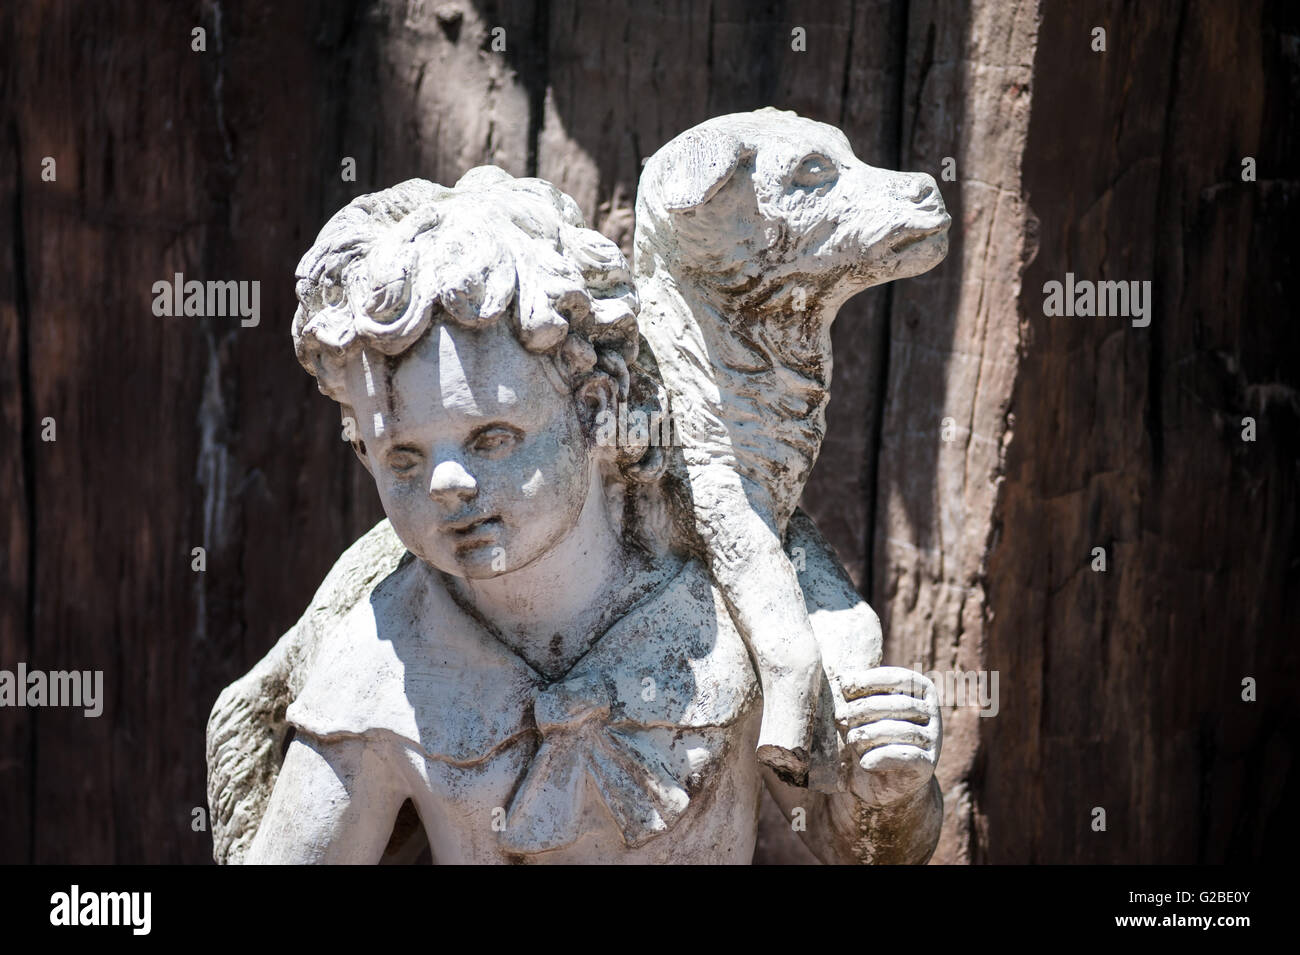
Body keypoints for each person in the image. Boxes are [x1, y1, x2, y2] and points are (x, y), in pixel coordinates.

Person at [208, 168, 943, 864]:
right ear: (363, 454)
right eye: (402, 458)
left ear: (597, 411)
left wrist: (892, 792)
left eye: (493, 438)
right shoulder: (384, 663)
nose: (448, 484)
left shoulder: (735, 618)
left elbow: (861, 845)